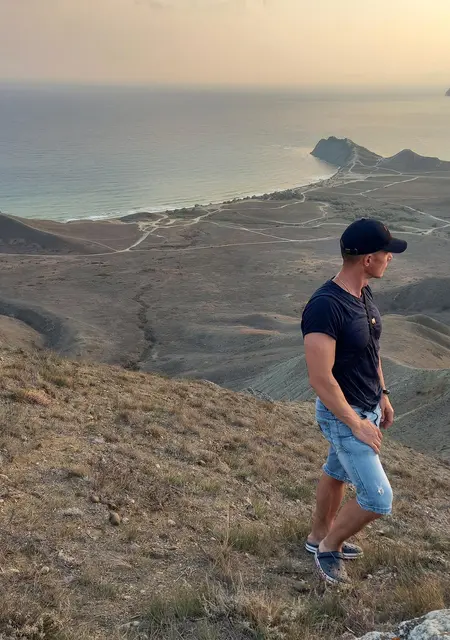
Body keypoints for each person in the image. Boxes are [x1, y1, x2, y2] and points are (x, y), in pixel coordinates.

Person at [300, 218, 407, 585]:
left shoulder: (362, 293)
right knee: (378, 498)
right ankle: (329, 548)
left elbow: (370, 351)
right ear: (367, 259)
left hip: (367, 407)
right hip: (343, 415)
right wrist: (356, 423)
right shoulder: (325, 306)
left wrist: (383, 395)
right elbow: (320, 378)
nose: (390, 258)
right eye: (386, 252)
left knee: (336, 473)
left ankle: (317, 536)